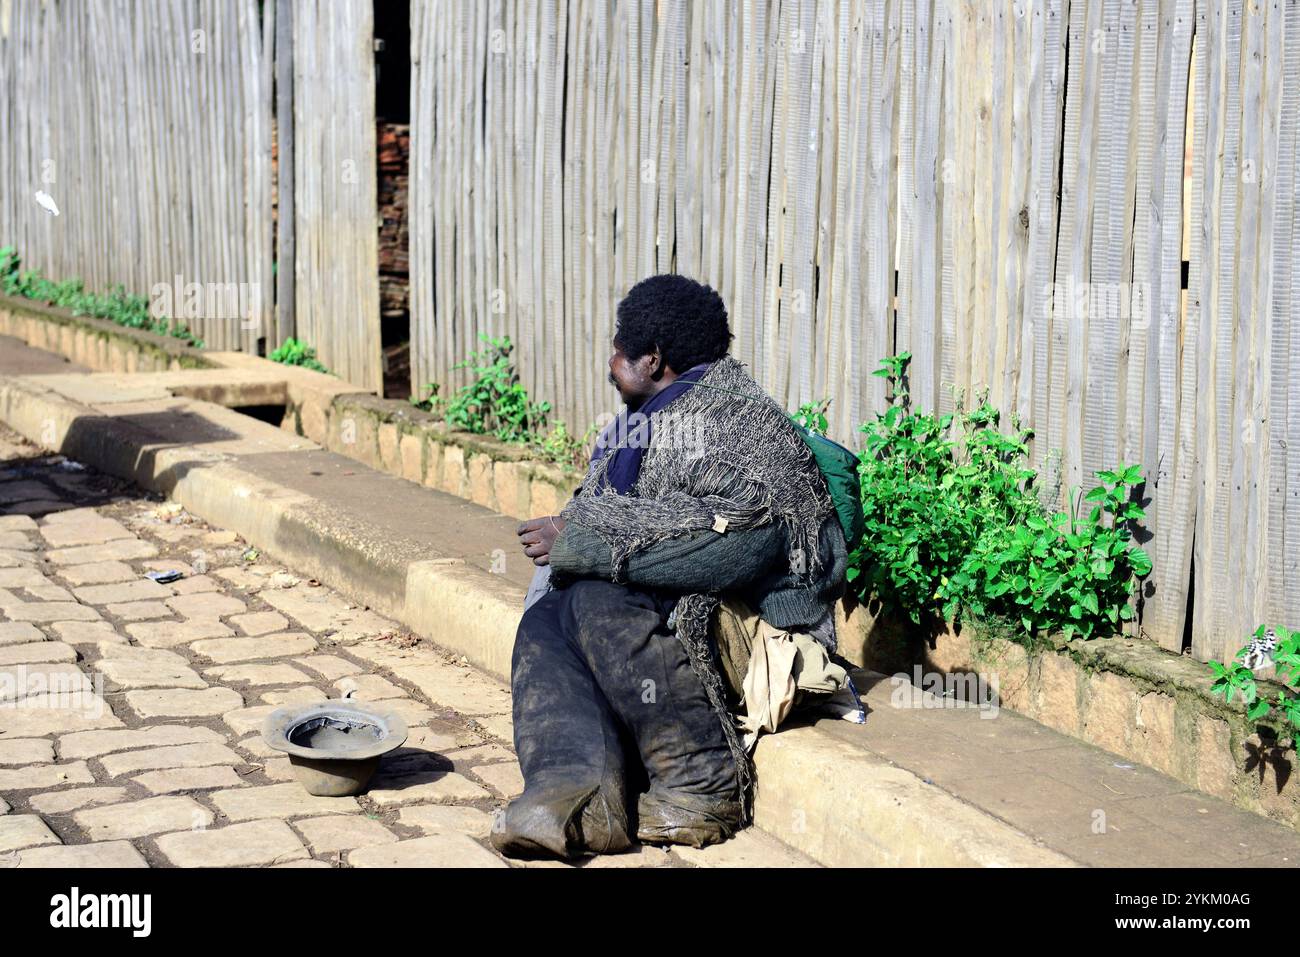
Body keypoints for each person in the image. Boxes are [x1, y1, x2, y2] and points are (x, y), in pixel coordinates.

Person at [490, 274, 847, 860]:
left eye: (620, 350)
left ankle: (704, 785)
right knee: (548, 619)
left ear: (652, 360)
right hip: (690, 617)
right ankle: (577, 800)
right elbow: (644, 518)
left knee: (598, 601)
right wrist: (574, 541)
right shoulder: (647, 422)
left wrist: (586, 545)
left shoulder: (739, 422)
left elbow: (739, 546)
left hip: (770, 640)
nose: (611, 361)